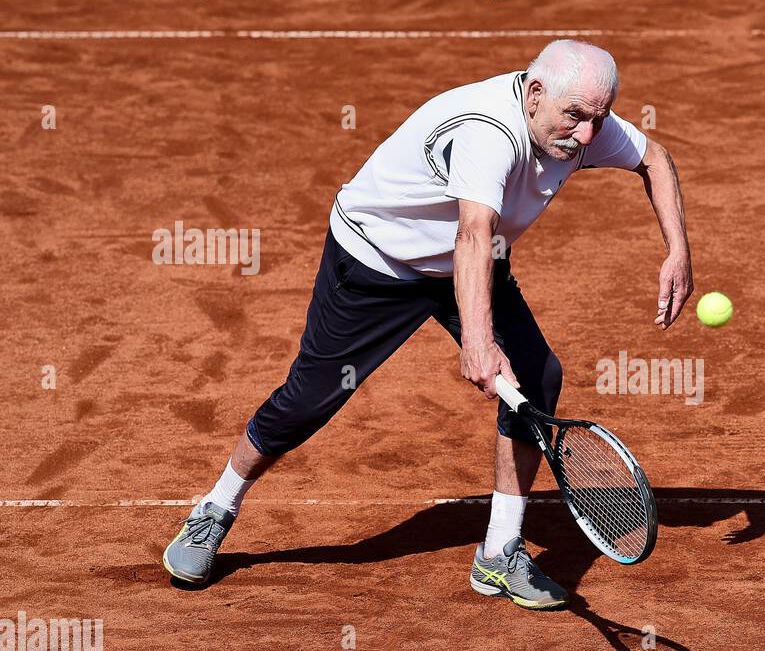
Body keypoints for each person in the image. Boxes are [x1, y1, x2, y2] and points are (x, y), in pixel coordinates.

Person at [162, 40, 693, 610]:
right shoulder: (489, 135)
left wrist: (677, 251)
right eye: (576, 118)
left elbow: (654, 158)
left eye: (599, 118)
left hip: (469, 259)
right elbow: (471, 233)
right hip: (376, 261)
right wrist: (478, 344)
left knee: (537, 379)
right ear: (535, 95)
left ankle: (500, 551)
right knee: (310, 398)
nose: (587, 136)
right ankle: (216, 508)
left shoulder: (579, 121)